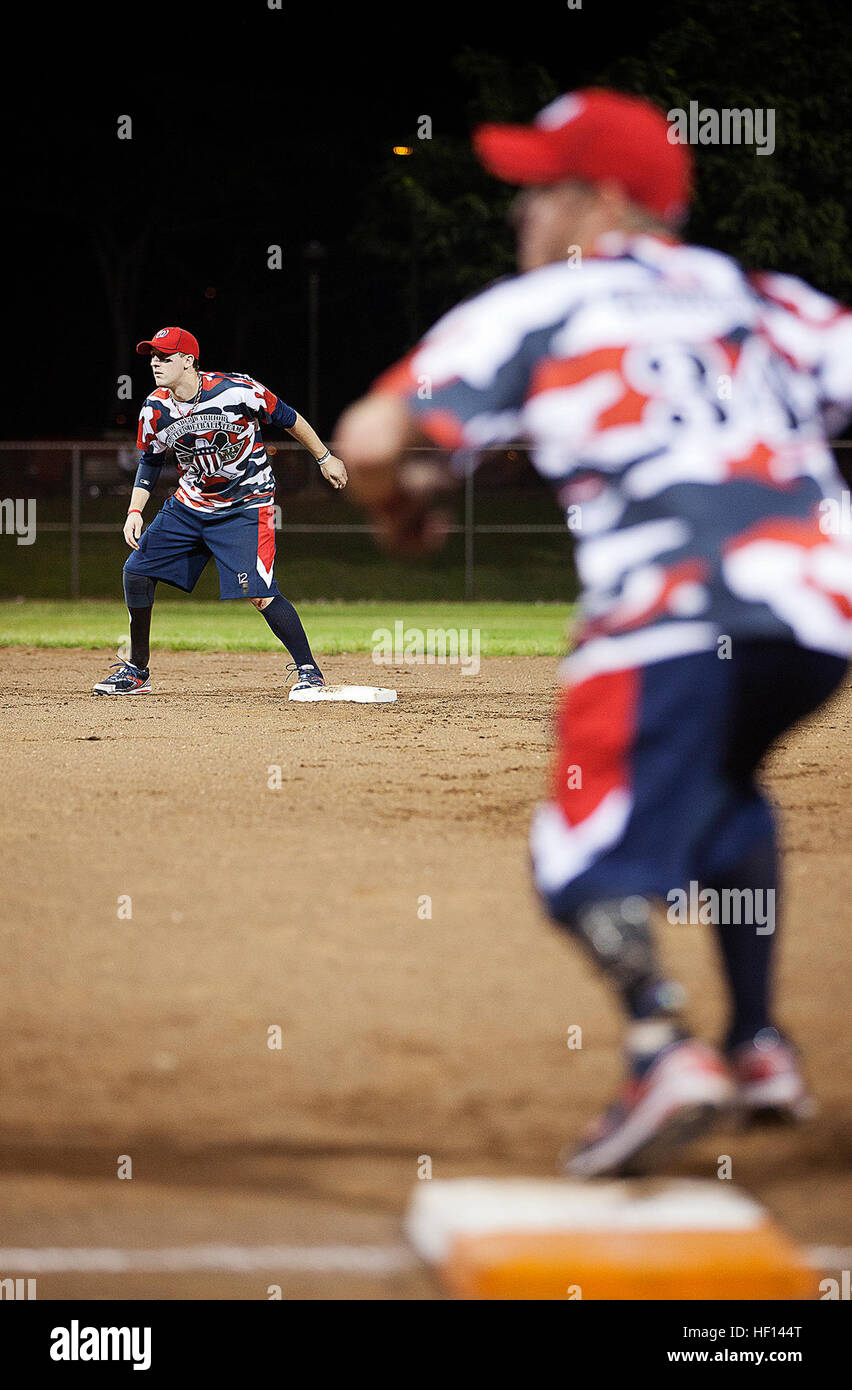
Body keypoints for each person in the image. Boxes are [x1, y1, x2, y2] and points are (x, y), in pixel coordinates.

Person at [335, 89, 852, 1176]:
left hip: (669, 620)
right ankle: (757, 1044)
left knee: (577, 858)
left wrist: (400, 505)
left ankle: (662, 1049)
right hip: (817, 615)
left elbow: (372, 436)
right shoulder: (762, 297)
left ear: (604, 201)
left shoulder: (540, 307)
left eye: (542, 190)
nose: (523, 215)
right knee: (724, 785)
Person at [93, 326, 347, 696]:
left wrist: (324, 457)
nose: (156, 363)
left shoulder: (237, 390)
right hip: (190, 505)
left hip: (246, 503)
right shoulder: (155, 409)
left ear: (188, 361)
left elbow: (289, 418)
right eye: (152, 356)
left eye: (164, 356)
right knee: (135, 571)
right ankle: (136, 670)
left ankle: (310, 671)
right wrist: (135, 511)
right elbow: (149, 462)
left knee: (259, 593)